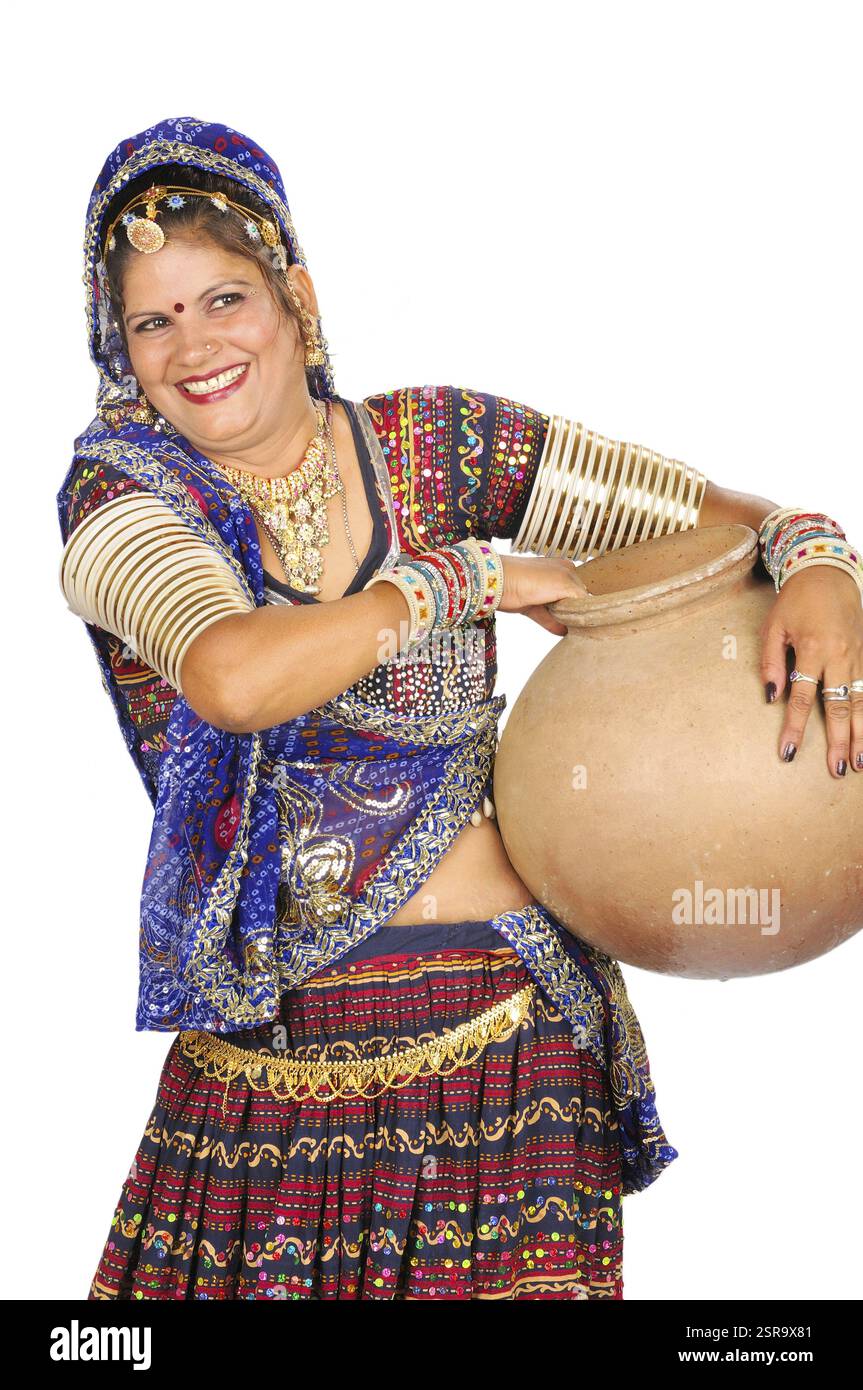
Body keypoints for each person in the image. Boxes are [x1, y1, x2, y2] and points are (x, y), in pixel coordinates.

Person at [57, 117, 863, 1302]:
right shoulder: (121, 502)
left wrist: (816, 561)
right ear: (120, 347)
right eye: (152, 320)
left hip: (509, 1048)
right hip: (261, 1084)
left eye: (224, 298)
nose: (194, 346)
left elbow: (710, 520)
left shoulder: (434, 446)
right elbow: (230, 674)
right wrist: (456, 581)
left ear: (295, 294)